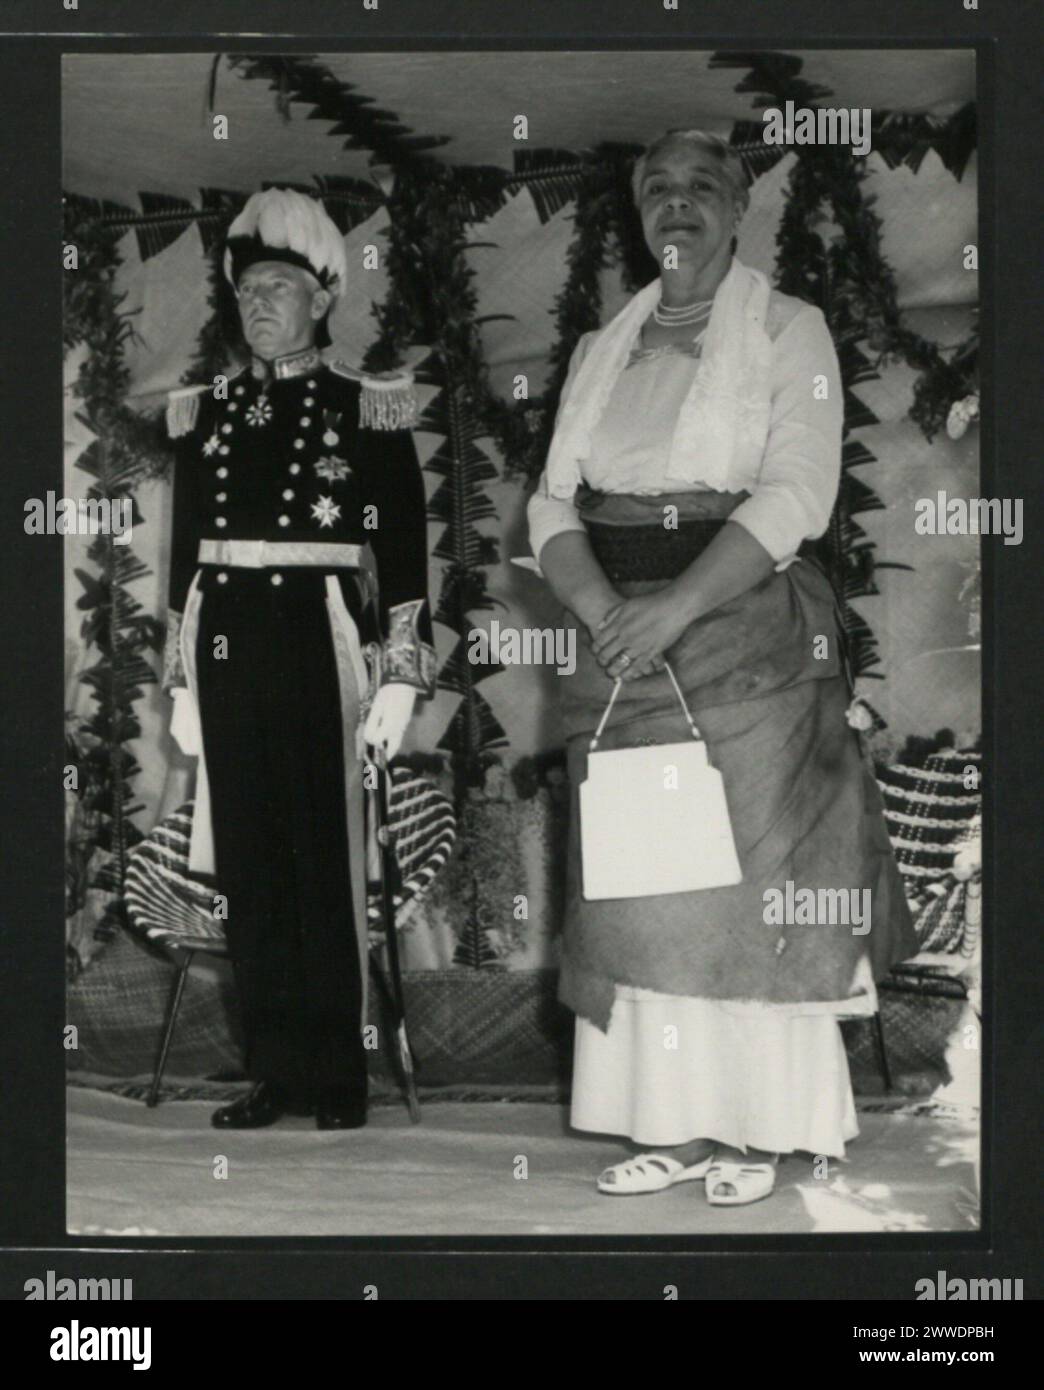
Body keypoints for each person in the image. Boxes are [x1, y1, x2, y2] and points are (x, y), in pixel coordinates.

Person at [527, 130, 918, 1206]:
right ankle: (673, 1124)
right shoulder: (603, 345)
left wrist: (676, 609)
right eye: (657, 190)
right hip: (621, 651)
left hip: (746, 638)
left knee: (753, 894)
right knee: (646, 888)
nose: (677, 206)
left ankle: (758, 1131)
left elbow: (797, 493)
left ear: (739, 209)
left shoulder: (792, 330)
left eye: (702, 187)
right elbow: (552, 501)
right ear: (637, 215)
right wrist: (608, 609)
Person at [163, 188, 435, 1130]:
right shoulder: (203, 412)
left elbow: (402, 556)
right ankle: (276, 1069)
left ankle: (340, 1073)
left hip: (314, 640)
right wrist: (181, 682)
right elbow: (181, 557)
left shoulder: (369, 406)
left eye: (279, 285)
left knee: (322, 859)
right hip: (226, 641)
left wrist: (400, 675)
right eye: (248, 289)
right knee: (250, 862)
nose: (260, 303)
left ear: (323, 297)